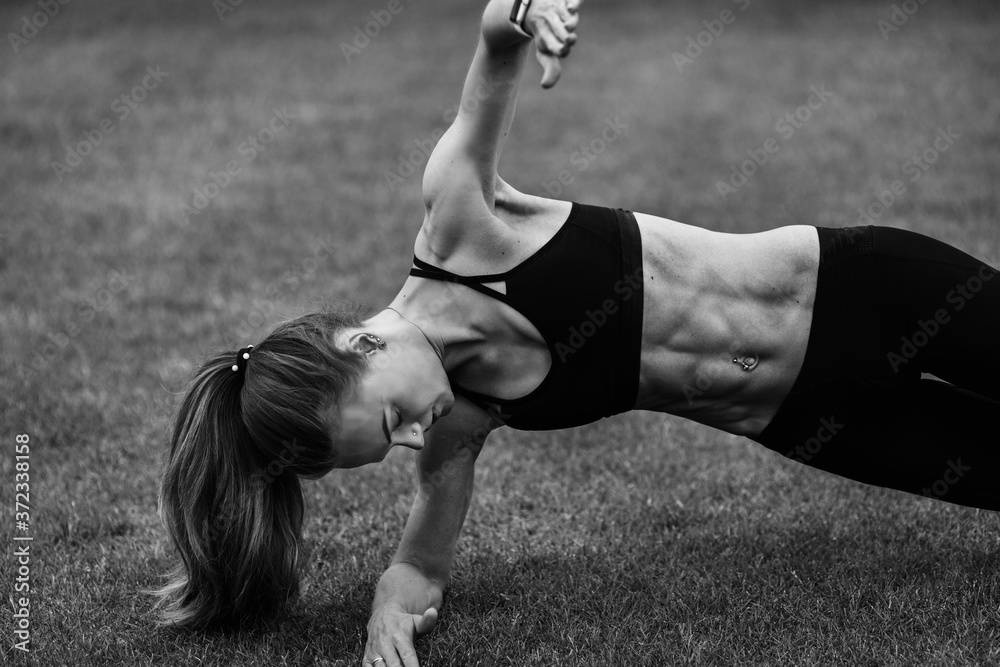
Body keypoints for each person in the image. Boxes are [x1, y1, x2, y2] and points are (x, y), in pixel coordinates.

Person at [152, 0, 1000, 664]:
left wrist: (532, 13)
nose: (416, 439)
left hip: (869, 295)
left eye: (390, 422)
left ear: (360, 346)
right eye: (396, 445)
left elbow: (494, 48)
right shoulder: (461, 418)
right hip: (815, 421)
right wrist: (388, 604)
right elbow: (423, 563)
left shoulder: (459, 228)